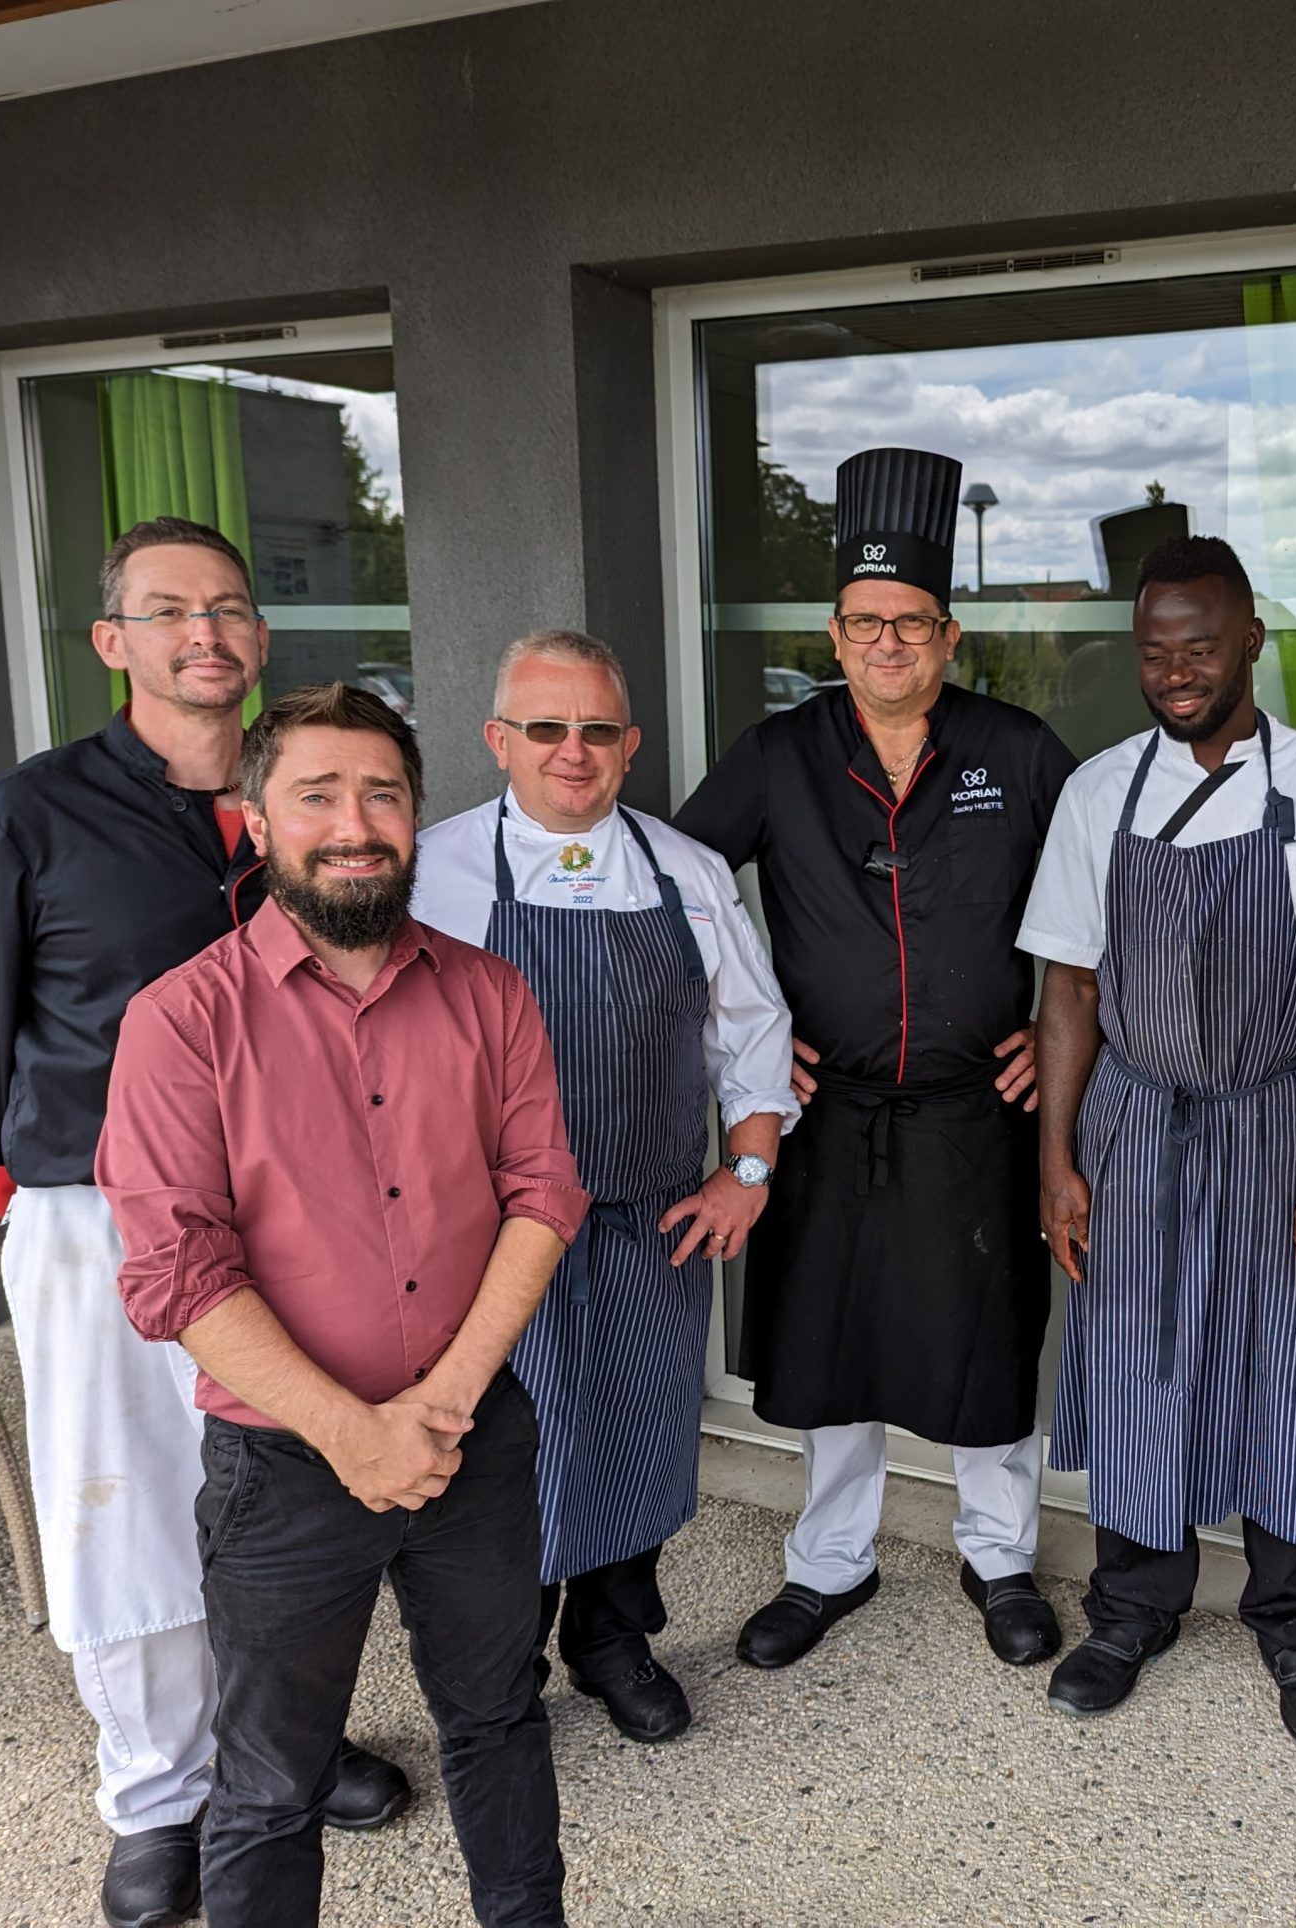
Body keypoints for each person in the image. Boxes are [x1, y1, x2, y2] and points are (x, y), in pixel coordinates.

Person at [0, 519, 410, 1928]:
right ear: (111, 642)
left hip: (294, 1220)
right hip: (104, 1219)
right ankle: (155, 1795)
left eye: (232, 609)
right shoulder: (28, 812)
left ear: (261, 643)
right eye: (170, 610)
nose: (208, 633)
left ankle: (285, 1753)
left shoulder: (299, 802)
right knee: (122, 1510)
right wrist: (35, 1191)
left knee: (280, 1508)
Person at [96, 684, 586, 1926]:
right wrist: (351, 1430)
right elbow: (176, 1270)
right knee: (269, 1776)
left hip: (471, 1434)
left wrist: (443, 1401)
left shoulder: (491, 995)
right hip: (280, 1462)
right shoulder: (181, 1021)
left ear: (417, 818)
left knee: (498, 1717)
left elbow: (543, 1197)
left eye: (380, 793)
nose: (352, 821)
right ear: (258, 820)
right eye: (315, 793)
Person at [675, 446, 1077, 1670]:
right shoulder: (778, 752)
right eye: (865, 622)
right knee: (829, 1337)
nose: (887, 640)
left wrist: (1059, 1034)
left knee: (988, 1335)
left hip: (977, 1111)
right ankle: (827, 1561)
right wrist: (743, 1038)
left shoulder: (1016, 751)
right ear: (834, 634)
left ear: (949, 636)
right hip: (826, 1111)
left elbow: (1100, 914)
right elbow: (677, 891)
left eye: (911, 622)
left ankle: (1000, 1552)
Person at [1023, 536, 1296, 1750]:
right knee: (1139, 1355)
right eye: (1155, 650)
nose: (1177, 670)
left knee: (1288, 1366)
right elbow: (1070, 990)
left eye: (1200, 646)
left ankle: (1295, 1626)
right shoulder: (1099, 792)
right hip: (1137, 1118)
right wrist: (1056, 1157)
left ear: (1253, 639)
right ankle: (1132, 1607)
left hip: (1277, 1116)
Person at [411, 628, 798, 1743]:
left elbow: (752, 1035)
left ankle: (612, 1638)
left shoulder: (686, 870)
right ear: (499, 740)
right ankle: (501, 1661)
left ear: (628, 746)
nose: (569, 751)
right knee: (504, 1452)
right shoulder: (431, 873)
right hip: (490, 1238)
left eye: (594, 730)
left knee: (636, 1430)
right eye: (544, 727)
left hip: (649, 1221)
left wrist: (750, 1168)